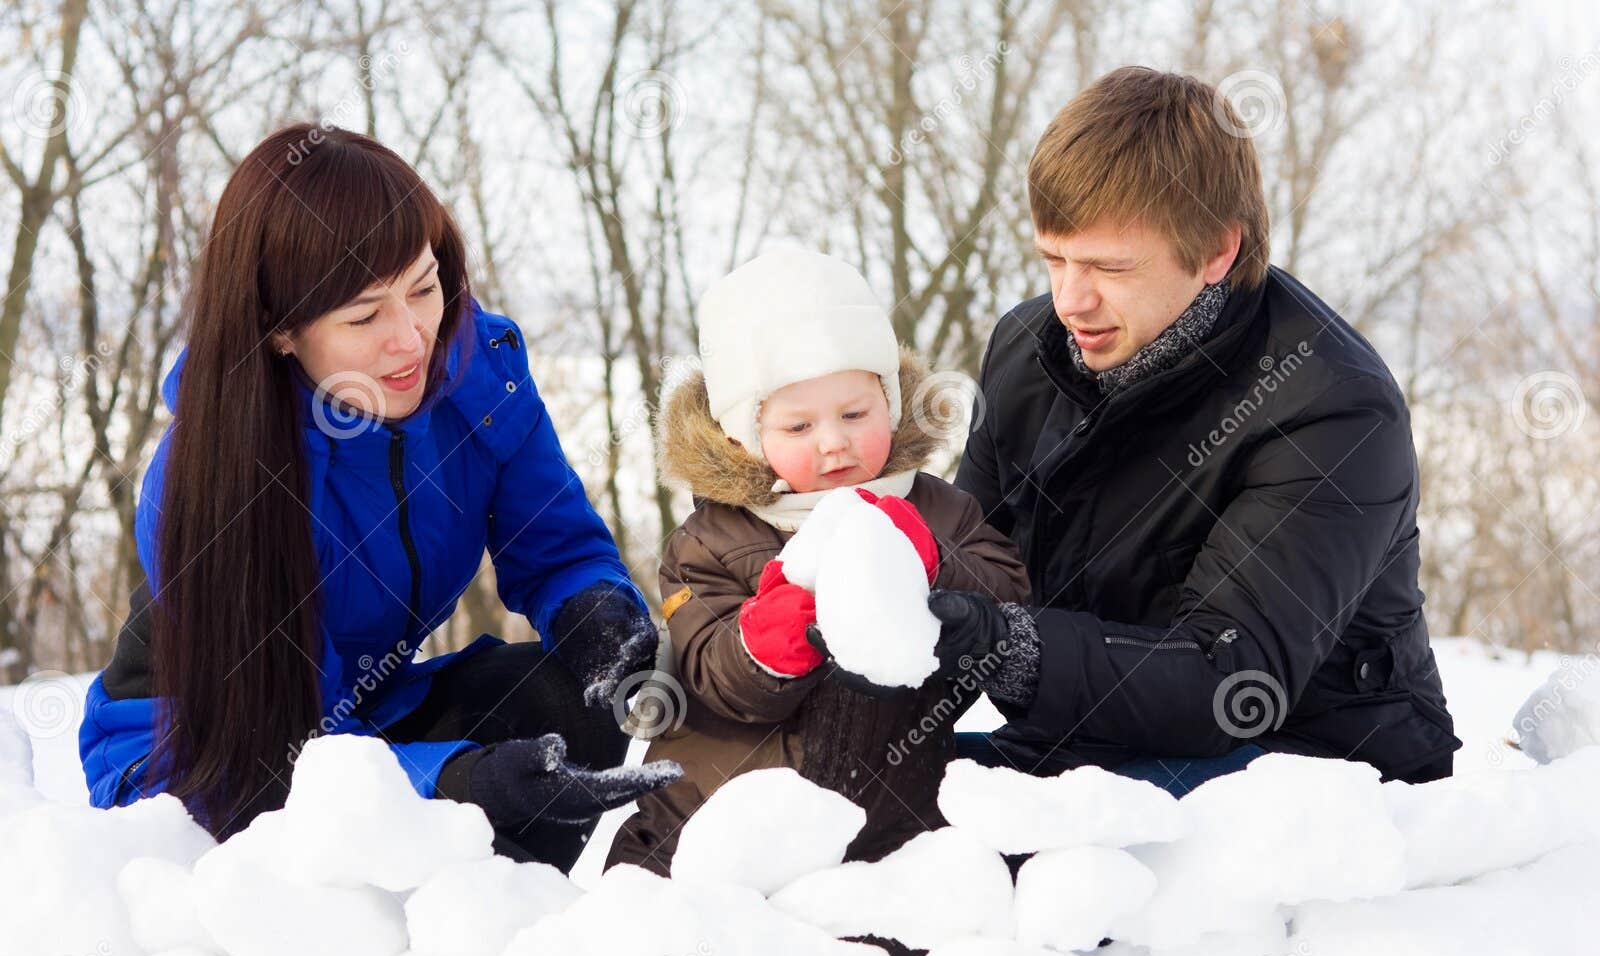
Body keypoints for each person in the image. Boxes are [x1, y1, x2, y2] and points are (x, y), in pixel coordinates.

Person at [78, 124, 678, 869]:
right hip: (209, 763)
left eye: (422, 288)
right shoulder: (214, 476)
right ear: (281, 333)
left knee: (579, 713)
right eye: (365, 315)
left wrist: (599, 621)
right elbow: (279, 754)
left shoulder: (477, 378)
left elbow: (557, 547)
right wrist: (459, 780)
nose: (411, 339)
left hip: (363, 711)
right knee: (463, 822)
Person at [932, 67, 1460, 795]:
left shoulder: (1333, 405)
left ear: (1217, 249)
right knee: (869, 807)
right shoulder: (1025, 351)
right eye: (1053, 258)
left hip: (1310, 759)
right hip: (1096, 739)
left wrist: (1002, 648)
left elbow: (1231, 681)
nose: (1069, 300)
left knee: (1023, 862)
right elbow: (972, 561)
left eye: (1108, 267)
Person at [605, 249, 1030, 875]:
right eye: (799, 426)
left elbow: (1008, 598)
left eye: (855, 414)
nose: (834, 442)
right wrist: (775, 629)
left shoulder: (938, 508)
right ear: (744, 437)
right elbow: (711, 673)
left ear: (890, 403)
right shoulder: (707, 542)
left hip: (886, 825)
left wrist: (926, 560)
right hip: (709, 825)